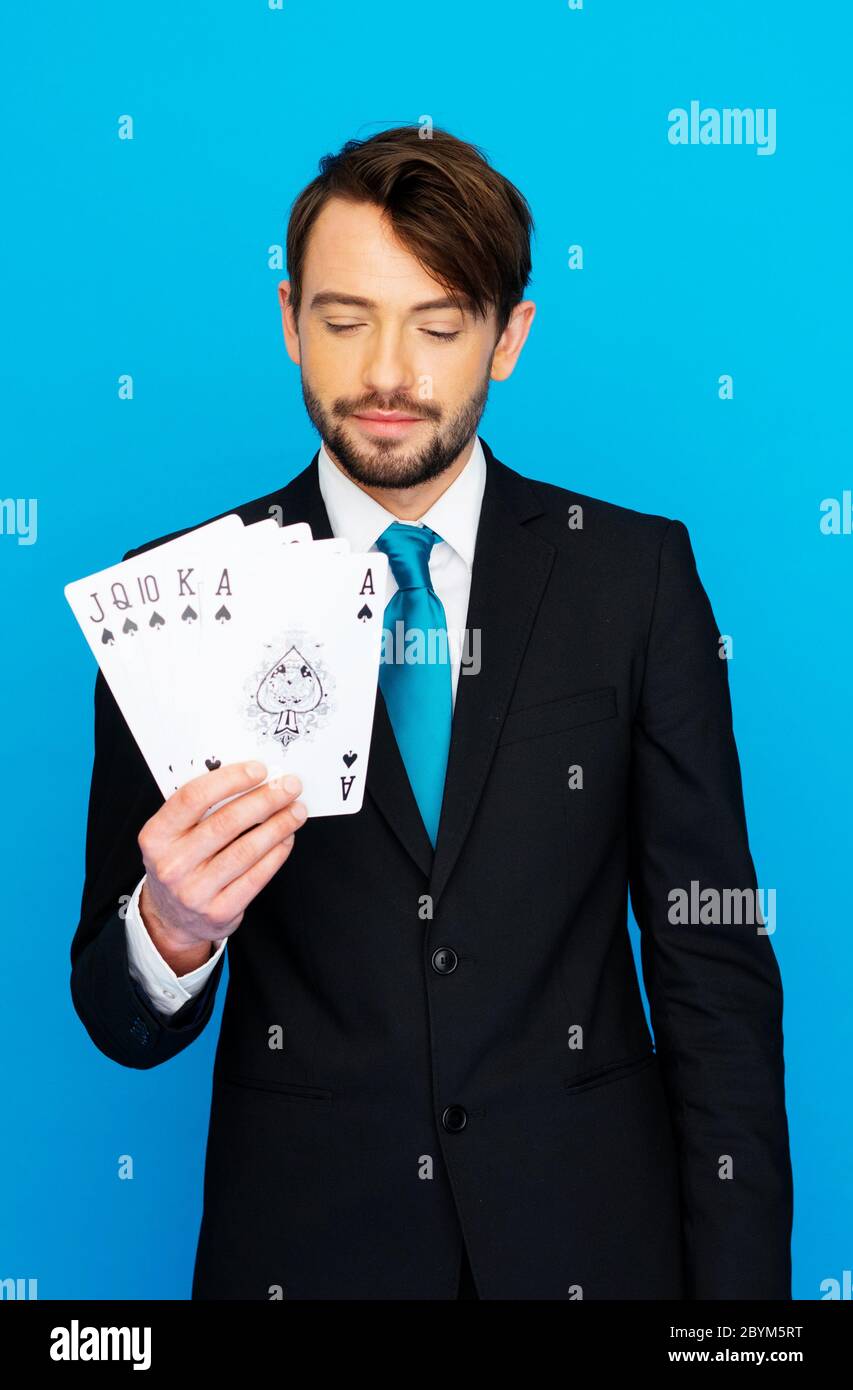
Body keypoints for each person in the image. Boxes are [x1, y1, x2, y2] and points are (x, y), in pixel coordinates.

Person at [71, 125, 793, 1300]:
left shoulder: (632, 577)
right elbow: (116, 1015)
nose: (388, 374)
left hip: (591, 1250)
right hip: (303, 1255)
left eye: (440, 325)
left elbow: (711, 966)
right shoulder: (173, 599)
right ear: (290, 319)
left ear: (509, 337)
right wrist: (170, 929)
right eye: (345, 319)